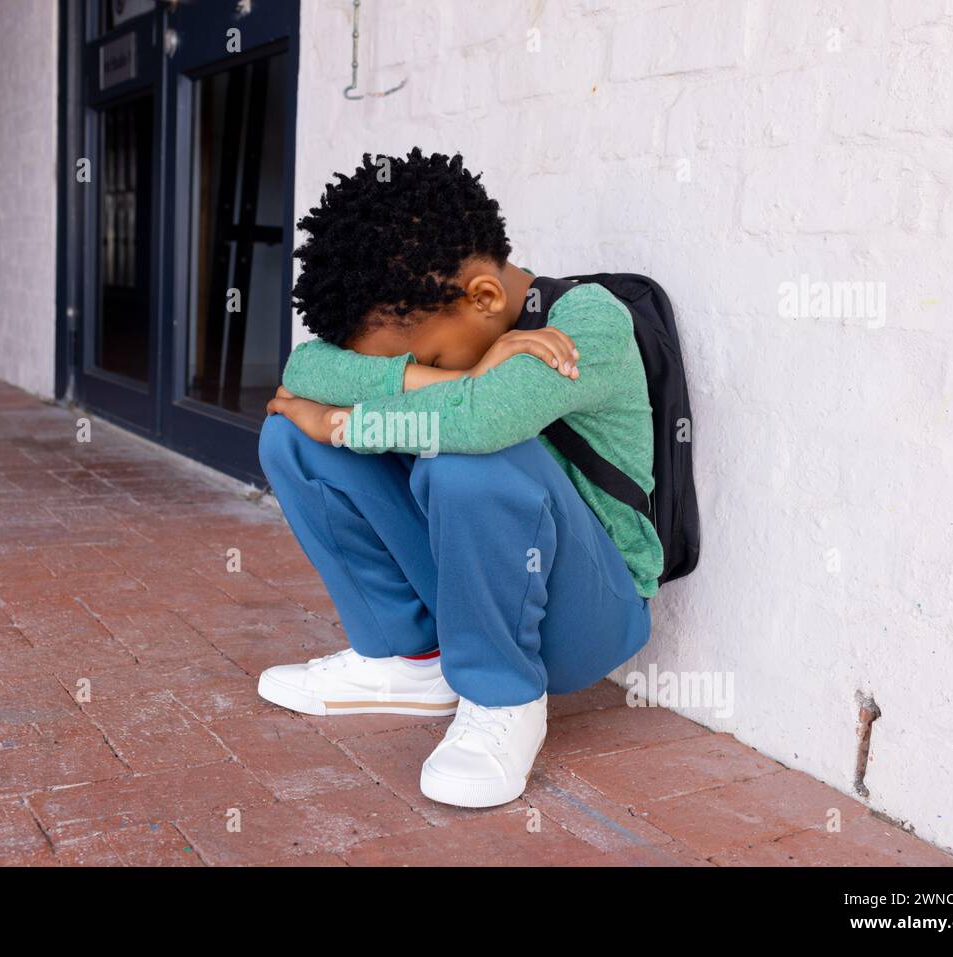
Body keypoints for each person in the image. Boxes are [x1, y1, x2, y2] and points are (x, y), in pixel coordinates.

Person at [257, 148, 661, 808]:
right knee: (290, 439)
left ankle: (503, 695)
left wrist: (342, 424)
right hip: (476, 581)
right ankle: (406, 659)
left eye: (431, 355)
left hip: (591, 609)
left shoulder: (590, 321)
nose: (423, 368)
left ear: (482, 295)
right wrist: (461, 374)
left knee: (468, 453)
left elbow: (485, 422)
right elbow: (304, 372)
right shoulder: (461, 325)